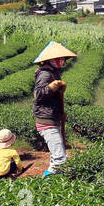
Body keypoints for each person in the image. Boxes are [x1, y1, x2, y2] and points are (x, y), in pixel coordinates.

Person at [32, 41, 77, 177]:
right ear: (51, 60)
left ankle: (52, 181)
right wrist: (52, 86)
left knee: (56, 156)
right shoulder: (45, 74)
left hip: (52, 117)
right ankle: (46, 182)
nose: (62, 61)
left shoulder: (54, 72)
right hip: (46, 120)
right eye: (59, 58)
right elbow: (38, 95)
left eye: (63, 59)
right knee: (60, 158)